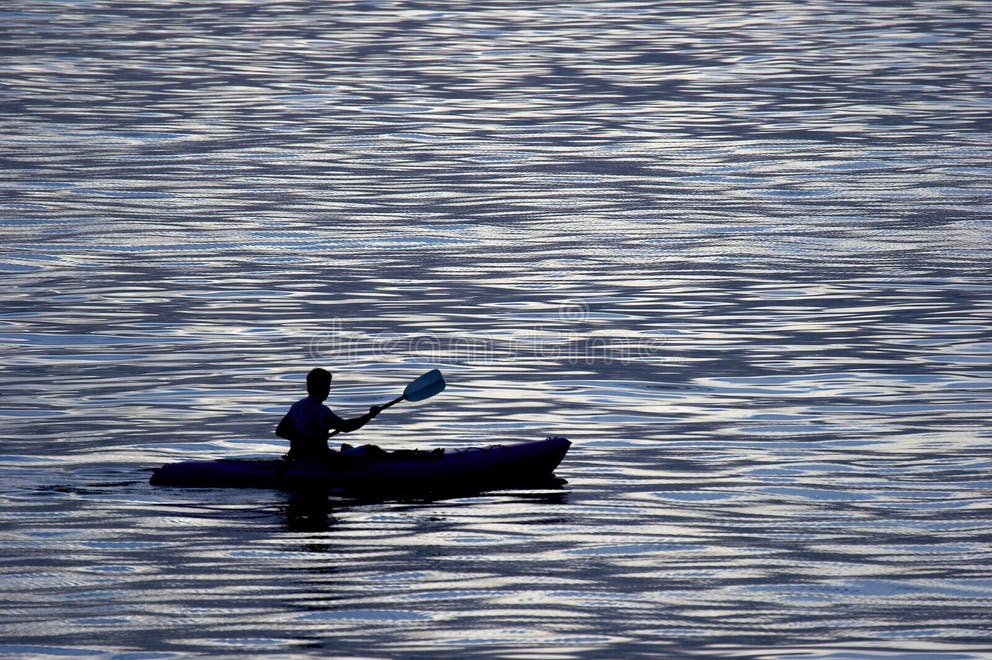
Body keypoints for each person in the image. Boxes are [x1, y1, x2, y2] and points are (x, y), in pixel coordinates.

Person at [276, 368, 382, 462]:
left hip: (299, 457)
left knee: (346, 447)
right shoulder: (321, 411)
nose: (329, 389)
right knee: (371, 450)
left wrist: (301, 440)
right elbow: (347, 427)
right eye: (327, 386)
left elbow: (280, 431)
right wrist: (369, 416)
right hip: (319, 459)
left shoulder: (296, 407)